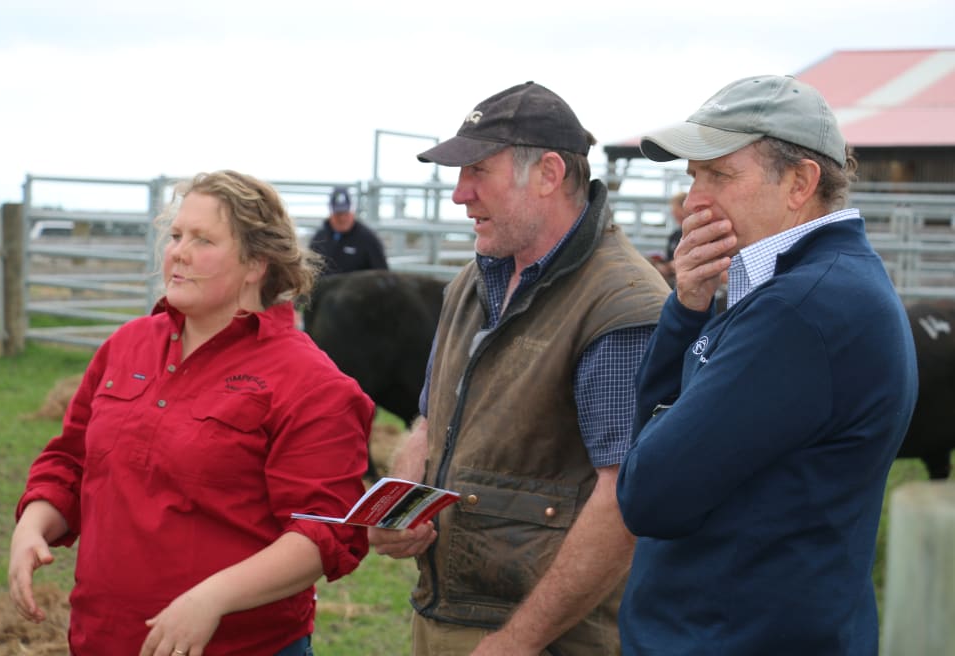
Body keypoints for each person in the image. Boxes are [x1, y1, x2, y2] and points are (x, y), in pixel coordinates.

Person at [8, 170, 376, 656]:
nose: (178, 251)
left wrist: (214, 598)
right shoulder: (127, 347)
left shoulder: (311, 383)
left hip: (239, 646)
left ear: (256, 264)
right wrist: (32, 525)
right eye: (176, 235)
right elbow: (71, 463)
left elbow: (324, 530)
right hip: (103, 638)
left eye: (203, 240)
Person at [616, 75, 919, 655]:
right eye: (693, 176)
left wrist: (683, 328)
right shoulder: (827, 286)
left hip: (733, 636)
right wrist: (685, 308)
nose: (694, 200)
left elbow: (647, 494)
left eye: (721, 174)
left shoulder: (800, 311)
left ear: (800, 182)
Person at [369, 81, 670, 655]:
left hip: (546, 637)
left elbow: (624, 500)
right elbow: (432, 418)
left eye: (478, 171)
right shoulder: (472, 282)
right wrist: (401, 498)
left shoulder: (621, 305)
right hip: (446, 613)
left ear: (549, 174)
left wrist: (519, 640)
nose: (459, 194)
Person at [307, 186, 389, 276]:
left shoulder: (368, 239)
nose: (342, 218)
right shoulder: (320, 239)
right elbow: (310, 272)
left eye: (345, 213)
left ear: (351, 211)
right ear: (331, 212)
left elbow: (382, 274)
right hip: (326, 289)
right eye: (338, 214)